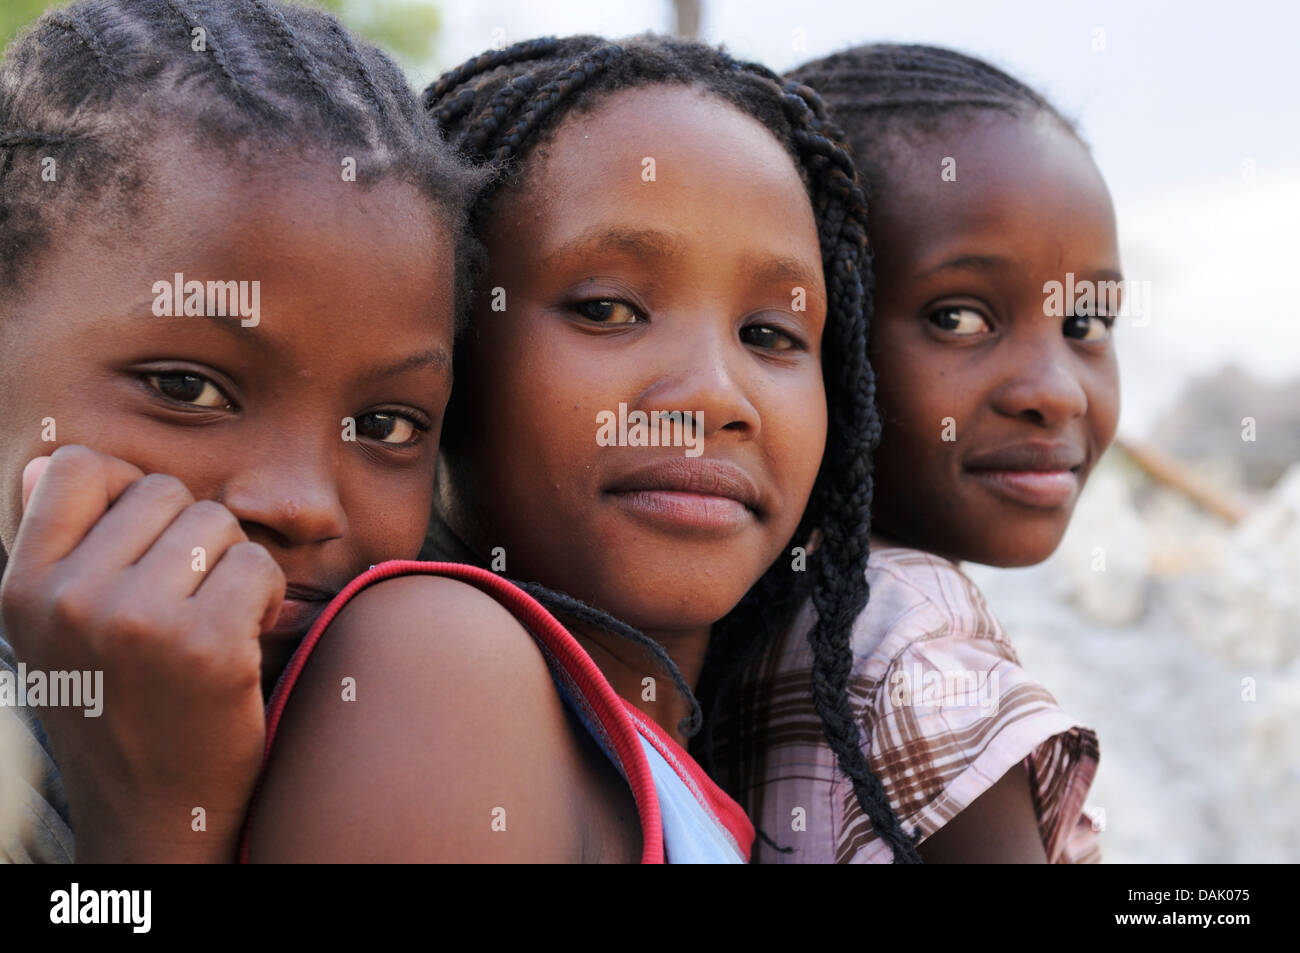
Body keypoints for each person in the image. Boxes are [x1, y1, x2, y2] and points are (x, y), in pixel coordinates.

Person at [241, 34, 876, 863]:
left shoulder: (694, 754)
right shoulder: (438, 661)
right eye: (607, 309)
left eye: (769, 333)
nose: (715, 395)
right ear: (451, 348)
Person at [0, 0, 480, 862]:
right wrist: (156, 824)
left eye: (385, 424)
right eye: (186, 387)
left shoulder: (420, 722)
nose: (299, 504)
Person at [708, 43, 1117, 863]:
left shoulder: (749, 601)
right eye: (959, 317)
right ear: (826, 324)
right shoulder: (915, 625)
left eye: (1085, 324)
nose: (1057, 390)